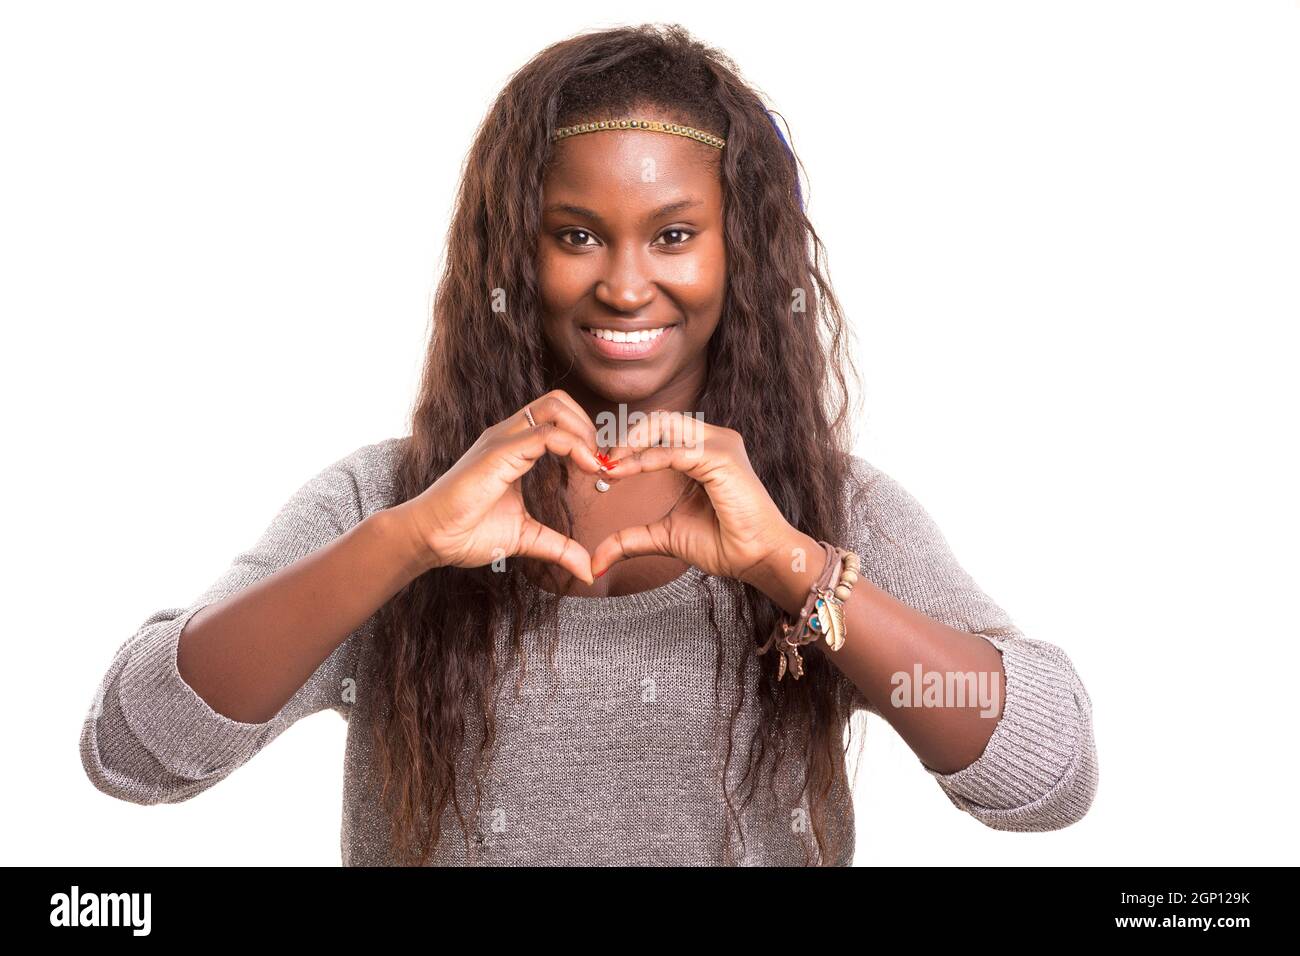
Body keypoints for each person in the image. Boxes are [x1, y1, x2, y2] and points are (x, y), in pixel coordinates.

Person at [79, 23, 1098, 866]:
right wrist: (406, 543)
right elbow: (135, 751)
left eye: (672, 235)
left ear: (738, 252)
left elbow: (1048, 776)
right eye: (576, 235)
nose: (623, 284)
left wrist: (792, 569)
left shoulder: (826, 509)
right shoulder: (384, 500)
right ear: (515, 253)